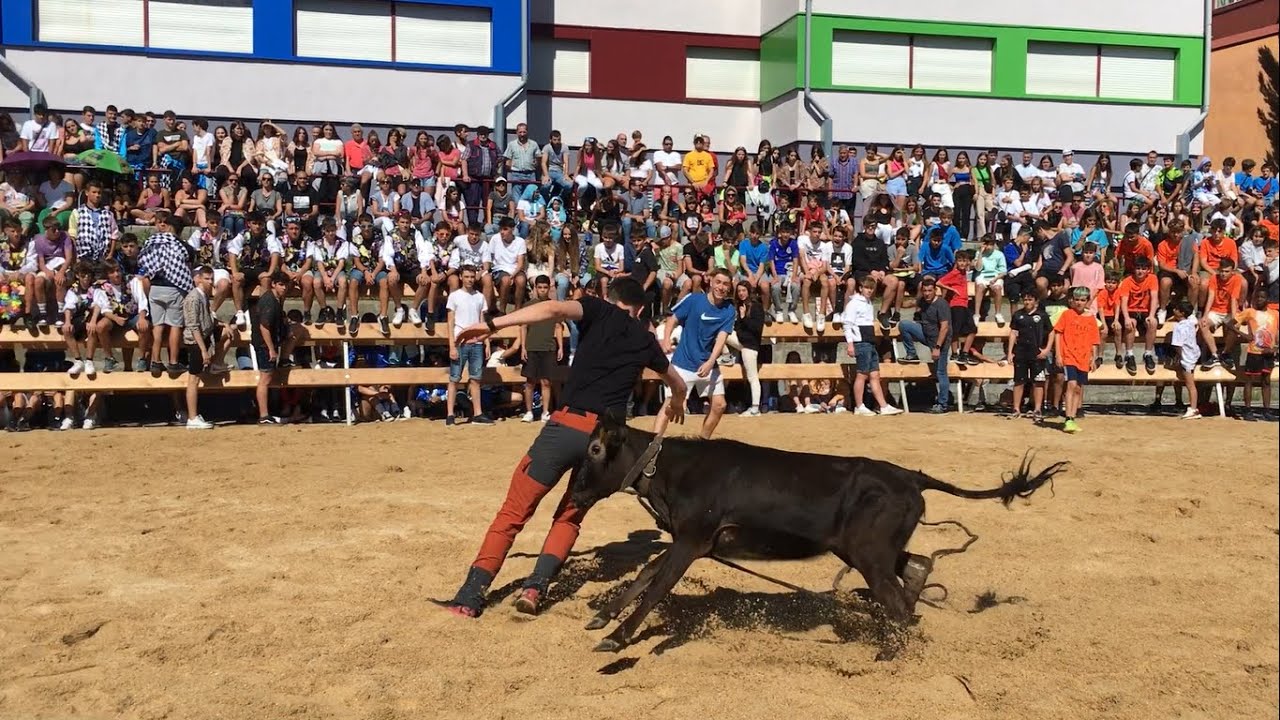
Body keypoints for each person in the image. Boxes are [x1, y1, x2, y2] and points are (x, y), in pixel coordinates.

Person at [444, 277, 688, 618]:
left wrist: (491, 324)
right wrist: (676, 402)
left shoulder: (597, 309)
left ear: (608, 296)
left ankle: (470, 597)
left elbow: (554, 307)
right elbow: (676, 382)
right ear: (641, 309)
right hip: (607, 439)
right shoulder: (646, 339)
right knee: (570, 517)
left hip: (568, 426)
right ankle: (535, 588)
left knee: (514, 513)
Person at [654, 268, 736, 439]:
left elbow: (721, 339)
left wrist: (710, 361)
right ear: (711, 282)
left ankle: (703, 443)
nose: (721, 287)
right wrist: (666, 339)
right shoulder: (694, 299)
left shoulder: (729, 310)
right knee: (670, 405)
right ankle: (652, 445)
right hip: (683, 363)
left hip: (708, 364)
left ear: (729, 287)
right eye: (718, 282)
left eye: (726, 284)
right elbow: (673, 319)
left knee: (719, 405)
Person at [1042, 287, 1100, 434]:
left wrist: (1093, 358)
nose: (1079, 303)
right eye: (1077, 300)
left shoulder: (1091, 318)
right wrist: (1058, 355)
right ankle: (1068, 418)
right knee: (1071, 384)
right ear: (1072, 300)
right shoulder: (1067, 314)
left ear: (1087, 301)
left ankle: (1072, 418)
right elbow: (1058, 333)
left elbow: (1094, 340)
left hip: (1084, 357)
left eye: (1082, 300)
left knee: (1078, 388)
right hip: (1069, 355)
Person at [843, 276, 902, 416]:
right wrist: (850, 344)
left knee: (875, 375)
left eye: (871, 288)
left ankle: (883, 405)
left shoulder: (868, 303)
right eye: (867, 288)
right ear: (860, 288)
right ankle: (859, 405)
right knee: (862, 374)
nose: (869, 291)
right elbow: (847, 324)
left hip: (870, 342)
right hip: (861, 342)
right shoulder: (854, 303)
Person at [896, 276, 951, 413]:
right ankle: (912, 353)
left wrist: (937, 347)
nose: (927, 293)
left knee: (940, 372)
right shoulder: (922, 301)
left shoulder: (942, 304)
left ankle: (943, 404)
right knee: (904, 325)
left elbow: (945, 327)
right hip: (926, 334)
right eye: (925, 290)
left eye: (930, 290)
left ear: (935, 290)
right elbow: (908, 303)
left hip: (940, 341)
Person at [519, 275, 564, 422]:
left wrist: (560, 347)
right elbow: (523, 327)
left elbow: (558, 327)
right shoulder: (528, 305)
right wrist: (523, 347)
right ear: (535, 288)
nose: (542, 290)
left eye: (545, 287)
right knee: (530, 382)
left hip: (549, 347)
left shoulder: (554, 305)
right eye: (540, 287)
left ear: (549, 288)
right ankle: (529, 412)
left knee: (546, 382)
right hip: (532, 346)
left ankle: (545, 411)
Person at [1167, 300, 1201, 420]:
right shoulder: (1191, 322)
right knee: (1190, 383)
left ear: (1181, 312)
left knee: (1190, 384)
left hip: (1187, 357)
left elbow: (1177, 345)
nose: (1174, 311)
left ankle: (1193, 409)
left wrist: (1179, 358)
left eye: (1176, 309)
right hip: (1194, 352)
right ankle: (1193, 407)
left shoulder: (1178, 327)